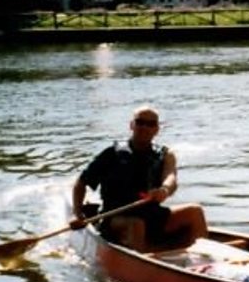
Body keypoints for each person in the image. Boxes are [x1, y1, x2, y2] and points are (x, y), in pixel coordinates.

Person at [71, 105, 207, 252]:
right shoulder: (111, 154)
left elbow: (170, 178)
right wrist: (78, 214)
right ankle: (145, 261)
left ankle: (204, 258)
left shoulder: (166, 155)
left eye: (150, 124)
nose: (144, 127)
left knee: (195, 211)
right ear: (132, 125)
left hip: (152, 215)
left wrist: (164, 190)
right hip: (116, 217)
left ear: (156, 129)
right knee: (137, 224)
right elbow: (81, 183)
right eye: (140, 122)